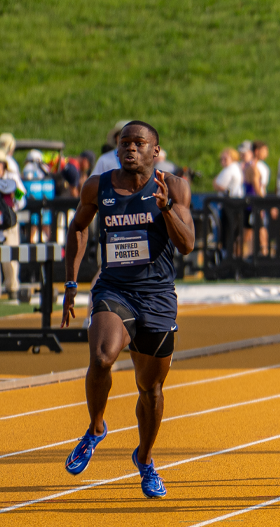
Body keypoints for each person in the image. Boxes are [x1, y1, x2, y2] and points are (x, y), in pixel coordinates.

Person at [59, 121, 195, 499]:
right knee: (102, 357)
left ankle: (145, 459)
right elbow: (78, 227)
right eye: (124, 143)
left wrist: (167, 208)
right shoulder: (97, 186)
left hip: (157, 295)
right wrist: (71, 283)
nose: (130, 149)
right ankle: (95, 428)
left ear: (155, 151)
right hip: (114, 288)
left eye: (139, 143)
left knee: (150, 389)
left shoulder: (174, 187)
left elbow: (187, 244)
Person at [0, 153, 27, 299]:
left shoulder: (11, 179)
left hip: (8, 223)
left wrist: (12, 207)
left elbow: (21, 197)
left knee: (10, 255)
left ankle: (12, 287)